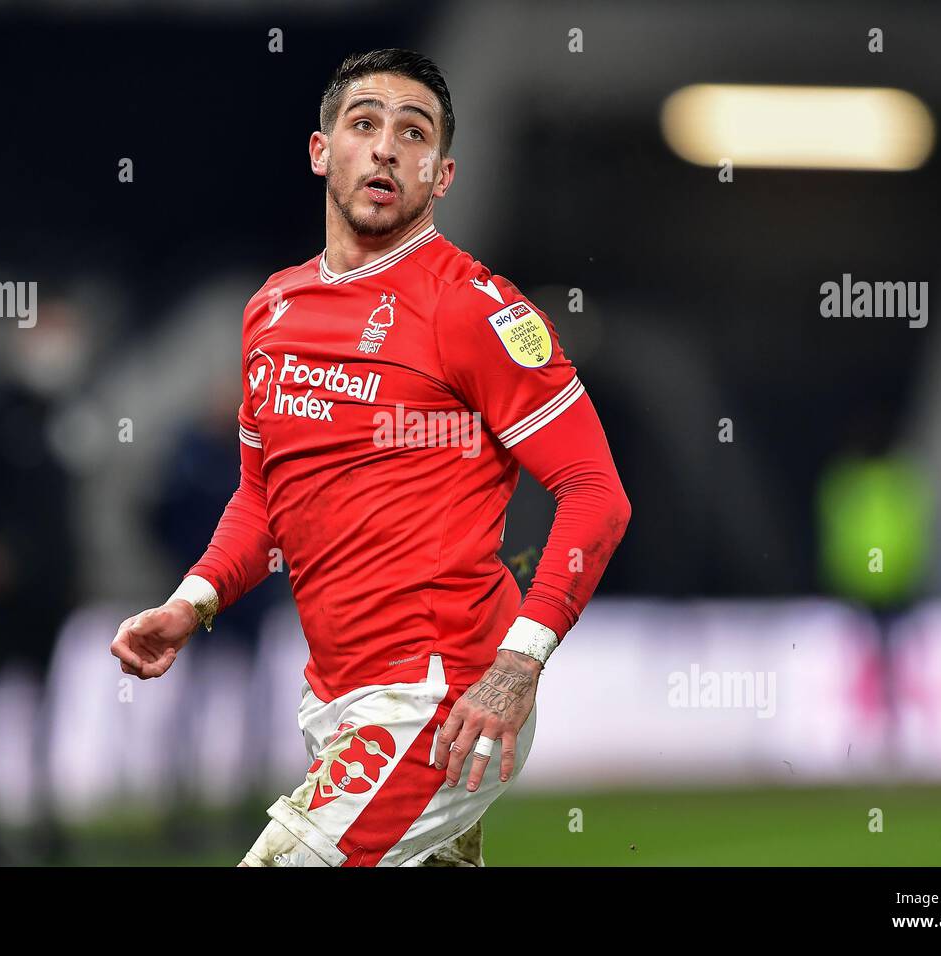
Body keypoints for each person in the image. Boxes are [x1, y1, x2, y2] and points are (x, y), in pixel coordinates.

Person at [110, 48, 630, 867]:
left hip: (440, 698)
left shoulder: (474, 309)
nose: (387, 147)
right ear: (323, 152)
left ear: (443, 174)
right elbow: (262, 499)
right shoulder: (271, 310)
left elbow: (597, 493)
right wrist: (192, 602)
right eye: (365, 124)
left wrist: (515, 668)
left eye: (413, 133)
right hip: (338, 699)